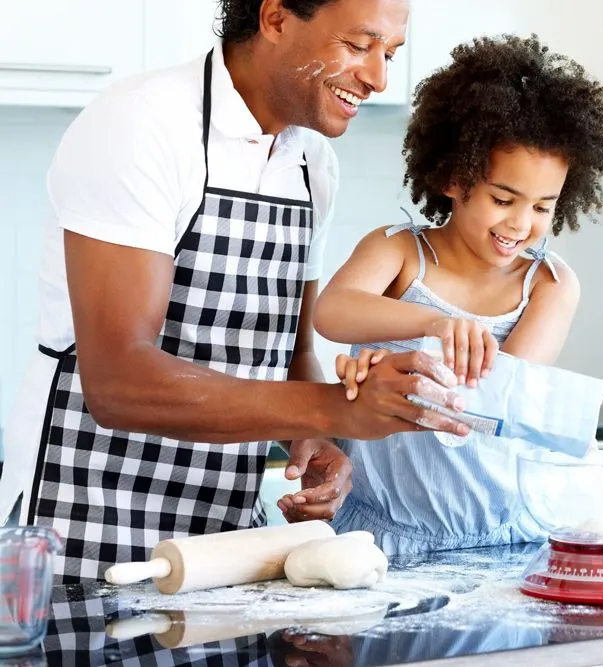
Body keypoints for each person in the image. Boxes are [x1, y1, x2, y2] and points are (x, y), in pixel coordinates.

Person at [0, 0, 472, 584]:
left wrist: (313, 438)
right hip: (84, 522)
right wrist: (339, 408)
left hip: (223, 541)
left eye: (390, 54)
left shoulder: (311, 165)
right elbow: (118, 383)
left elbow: (289, 354)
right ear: (275, 19)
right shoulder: (142, 123)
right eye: (358, 45)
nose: (377, 77)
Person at [310, 33, 603, 555]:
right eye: (503, 198)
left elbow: (493, 398)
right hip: (381, 535)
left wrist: (395, 362)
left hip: (502, 537)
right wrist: (431, 325)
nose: (520, 224)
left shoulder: (548, 285)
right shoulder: (399, 252)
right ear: (454, 176)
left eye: (543, 207)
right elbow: (332, 312)